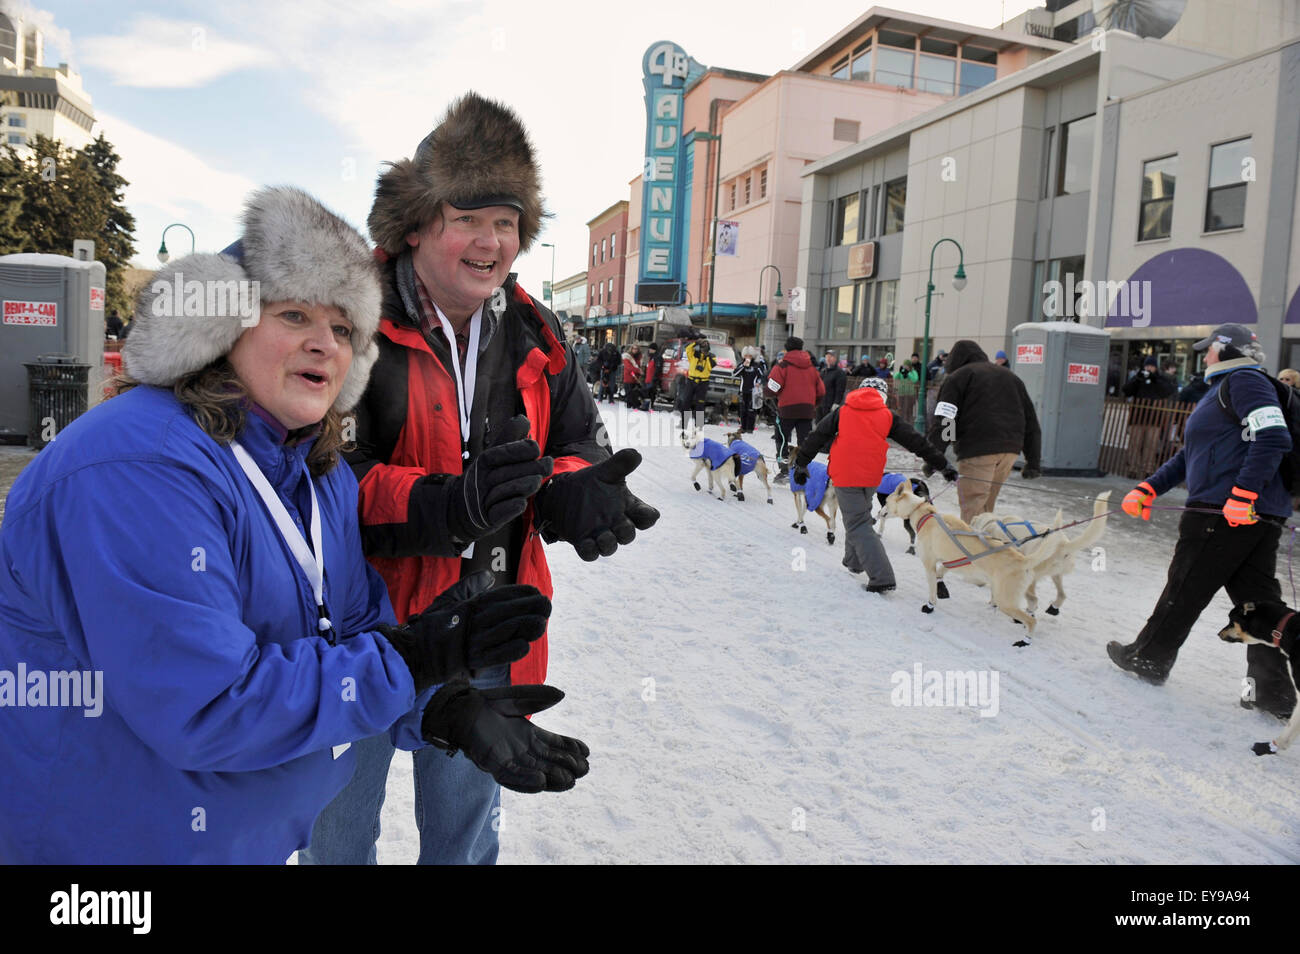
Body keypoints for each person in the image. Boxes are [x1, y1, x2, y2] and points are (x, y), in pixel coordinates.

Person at [0, 187, 588, 863]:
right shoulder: (139, 464)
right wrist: (414, 655)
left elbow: (351, 630)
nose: (324, 343)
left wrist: (442, 705)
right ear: (220, 327)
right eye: (295, 313)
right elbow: (209, 703)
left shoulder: (314, 469)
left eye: (343, 329)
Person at [303, 93, 656, 866]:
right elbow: (313, 473)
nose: (491, 241)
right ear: (418, 224)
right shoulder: (347, 319)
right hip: (358, 631)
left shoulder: (536, 330)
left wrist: (570, 490)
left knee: (463, 836)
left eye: (507, 222)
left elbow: (577, 443)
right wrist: (441, 507)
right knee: (335, 832)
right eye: (468, 218)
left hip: (486, 625)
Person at [1107, 323, 1297, 720]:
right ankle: (1272, 695)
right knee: (1259, 605)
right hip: (1248, 512)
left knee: (1186, 585)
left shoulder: (1244, 381)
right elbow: (1189, 456)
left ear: (1225, 350)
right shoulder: (1223, 389)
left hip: (1225, 511)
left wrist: (1242, 493)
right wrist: (1148, 488)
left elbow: (1274, 436)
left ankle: (1148, 659)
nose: (1204, 355)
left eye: (1208, 349)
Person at [796, 377, 956, 593]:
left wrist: (801, 463)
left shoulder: (842, 412)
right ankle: (853, 561)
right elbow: (917, 442)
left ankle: (882, 576)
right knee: (858, 518)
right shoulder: (888, 416)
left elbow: (817, 436)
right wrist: (943, 464)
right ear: (883, 396)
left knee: (857, 523)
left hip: (845, 475)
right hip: (871, 477)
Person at [926, 339, 1042, 523]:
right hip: (1010, 450)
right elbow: (1031, 421)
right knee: (986, 507)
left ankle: (973, 549)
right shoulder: (1011, 377)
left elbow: (947, 420)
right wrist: (1033, 461)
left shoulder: (958, 377)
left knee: (973, 508)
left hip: (977, 449)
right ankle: (988, 546)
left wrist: (934, 456)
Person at [766, 335, 824, 482]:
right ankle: (802, 468)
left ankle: (784, 471)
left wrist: (770, 395)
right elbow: (821, 391)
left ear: (786, 349)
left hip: (787, 409)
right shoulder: (812, 368)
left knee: (782, 439)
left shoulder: (782, 366)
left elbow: (772, 388)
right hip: (807, 410)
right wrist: (812, 404)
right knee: (804, 441)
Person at [1122, 355, 1178, 477]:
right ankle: (1133, 468)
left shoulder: (1161, 378)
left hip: (1154, 419)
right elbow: (1126, 390)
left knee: (1151, 445)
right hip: (1137, 418)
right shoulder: (1139, 377)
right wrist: (1137, 379)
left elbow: (1167, 391)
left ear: (1156, 367)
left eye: (1151, 366)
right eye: (1147, 366)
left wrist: (1154, 379)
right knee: (1134, 444)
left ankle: (1148, 469)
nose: (1149, 368)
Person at [677, 333, 715, 432]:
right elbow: (688, 349)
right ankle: (683, 423)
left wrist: (706, 355)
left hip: (703, 382)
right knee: (686, 402)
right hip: (691, 380)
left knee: (700, 404)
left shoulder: (712, 357)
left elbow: (711, 366)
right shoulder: (694, 355)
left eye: (705, 345)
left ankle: (698, 425)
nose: (703, 347)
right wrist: (695, 343)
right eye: (702, 345)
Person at [737, 346, 763, 433]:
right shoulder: (741, 365)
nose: (748, 358)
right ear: (743, 356)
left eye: (750, 356)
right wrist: (743, 366)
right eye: (746, 356)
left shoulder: (757, 366)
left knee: (751, 410)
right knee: (743, 409)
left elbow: (762, 376)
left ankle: (750, 428)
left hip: (753, 392)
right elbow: (734, 374)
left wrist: (759, 382)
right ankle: (743, 427)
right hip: (743, 390)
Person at [817, 349, 847, 424]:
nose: (828, 358)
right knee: (818, 424)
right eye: (827, 356)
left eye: (831, 357)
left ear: (835, 359)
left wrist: (836, 403)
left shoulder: (839, 373)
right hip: (821, 403)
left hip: (830, 404)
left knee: (827, 425)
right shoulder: (823, 371)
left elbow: (840, 389)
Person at [893, 359, 919, 425]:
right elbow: (895, 377)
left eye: (907, 366)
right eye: (904, 365)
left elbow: (914, 379)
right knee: (901, 409)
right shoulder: (902, 371)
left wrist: (908, 373)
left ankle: (908, 423)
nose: (905, 367)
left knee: (908, 410)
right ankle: (902, 423)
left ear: (909, 366)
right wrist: (899, 372)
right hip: (902, 393)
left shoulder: (913, 372)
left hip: (910, 394)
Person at [622, 343, 644, 410]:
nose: (635, 350)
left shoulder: (639, 357)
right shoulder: (627, 357)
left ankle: (634, 406)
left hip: (636, 379)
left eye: (636, 349)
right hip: (628, 378)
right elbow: (629, 367)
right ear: (631, 349)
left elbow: (640, 366)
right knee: (629, 394)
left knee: (634, 394)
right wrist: (638, 370)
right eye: (634, 348)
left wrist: (639, 373)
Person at [642, 342, 660, 411]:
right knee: (646, 393)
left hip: (652, 379)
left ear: (654, 349)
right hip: (648, 378)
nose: (649, 350)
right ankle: (646, 405)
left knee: (651, 393)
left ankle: (650, 406)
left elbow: (658, 369)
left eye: (650, 349)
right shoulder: (651, 357)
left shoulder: (657, 357)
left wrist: (654, 378)